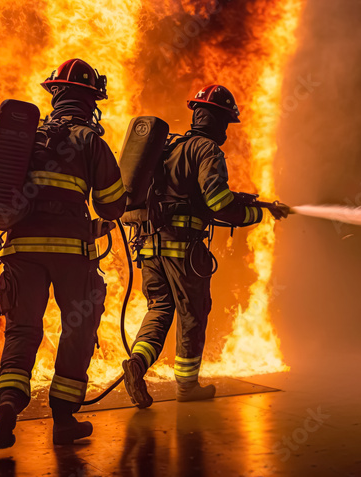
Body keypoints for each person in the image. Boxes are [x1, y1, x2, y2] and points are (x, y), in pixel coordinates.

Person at [121, 84, 291, 408]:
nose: (226, 129)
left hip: (148, 246)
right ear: (216, 120)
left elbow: (182, 196)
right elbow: (217, 202)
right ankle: (186, 387)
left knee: (159, 310)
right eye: (226, 122)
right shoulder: (206, 150)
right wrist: (255, 214)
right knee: (192, 315)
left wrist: (259, 203)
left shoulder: (168, 146)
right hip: (183, 251)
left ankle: (137, 364)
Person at [0, 58, 126, 448]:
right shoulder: (90, 141)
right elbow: (112, 205)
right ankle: (64, 419)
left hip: (21, 249)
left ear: (55, 97)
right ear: (90, 101)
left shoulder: (24, 138)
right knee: (78, 327)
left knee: (23, 329)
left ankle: (9, 402)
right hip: (71, 253)